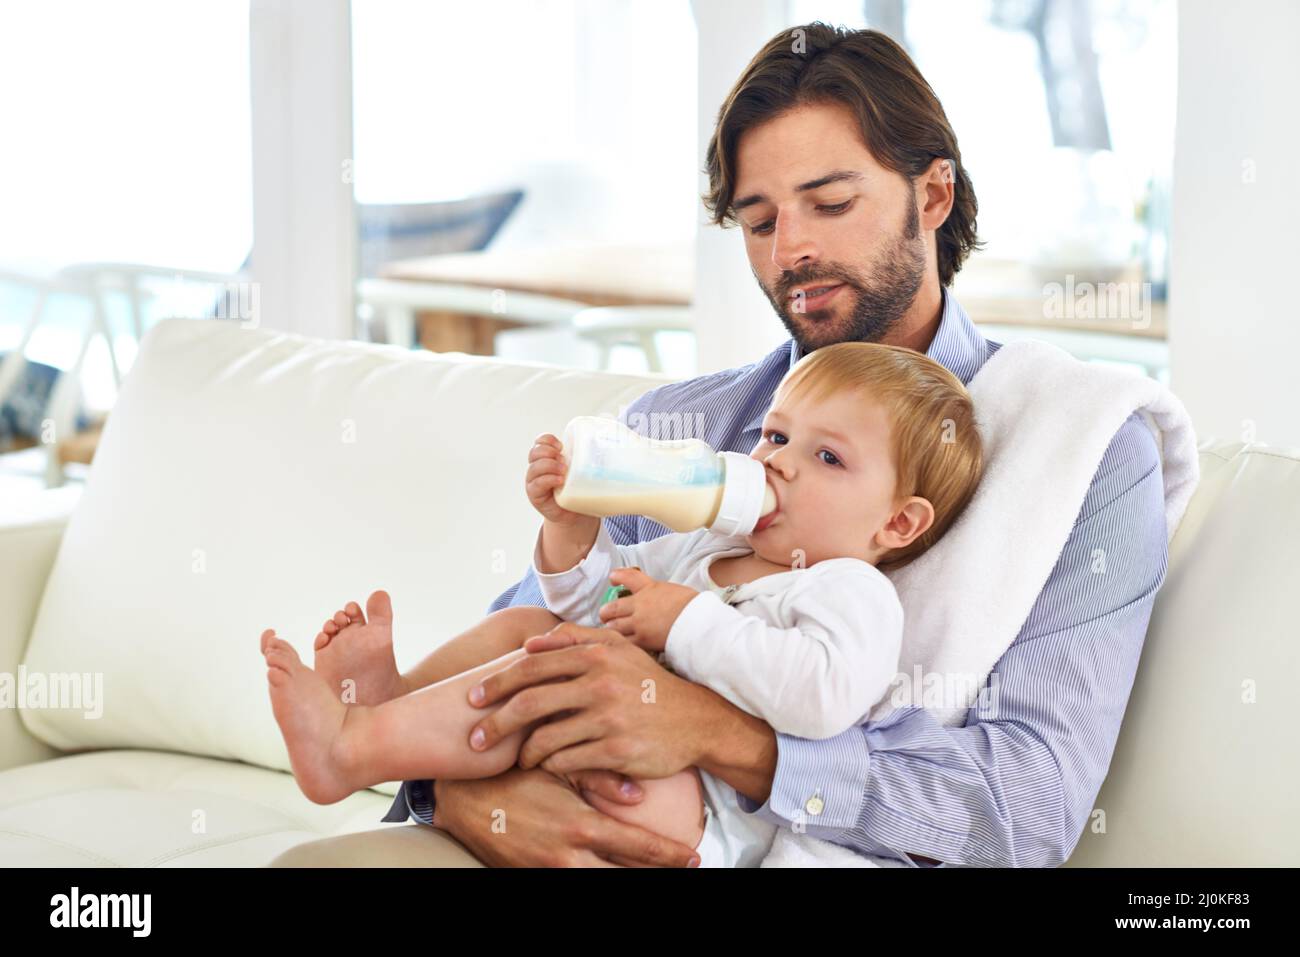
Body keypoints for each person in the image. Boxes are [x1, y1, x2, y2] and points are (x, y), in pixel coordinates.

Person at [378, 24, 1167, 867]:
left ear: (933, 197)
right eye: (759, 221)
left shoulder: (1079, 454)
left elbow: (1025, 808)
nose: (792, 250)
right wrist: (466, 795)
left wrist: (729, 739)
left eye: (831, 204)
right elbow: (514, 649)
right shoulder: (678, 431)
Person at [260, 342, 983, 868]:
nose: (778, 461)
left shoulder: (848, 589)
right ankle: (389, 706)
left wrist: (685, 621)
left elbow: (820, 695)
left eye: (828, 458)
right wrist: (571, 528)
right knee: (531, 627)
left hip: (693, 810)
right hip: (584, 752)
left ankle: (351, 748)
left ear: (898, 523)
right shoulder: (700, 549)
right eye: (775, 434)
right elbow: (589, 606)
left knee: (564, 676)